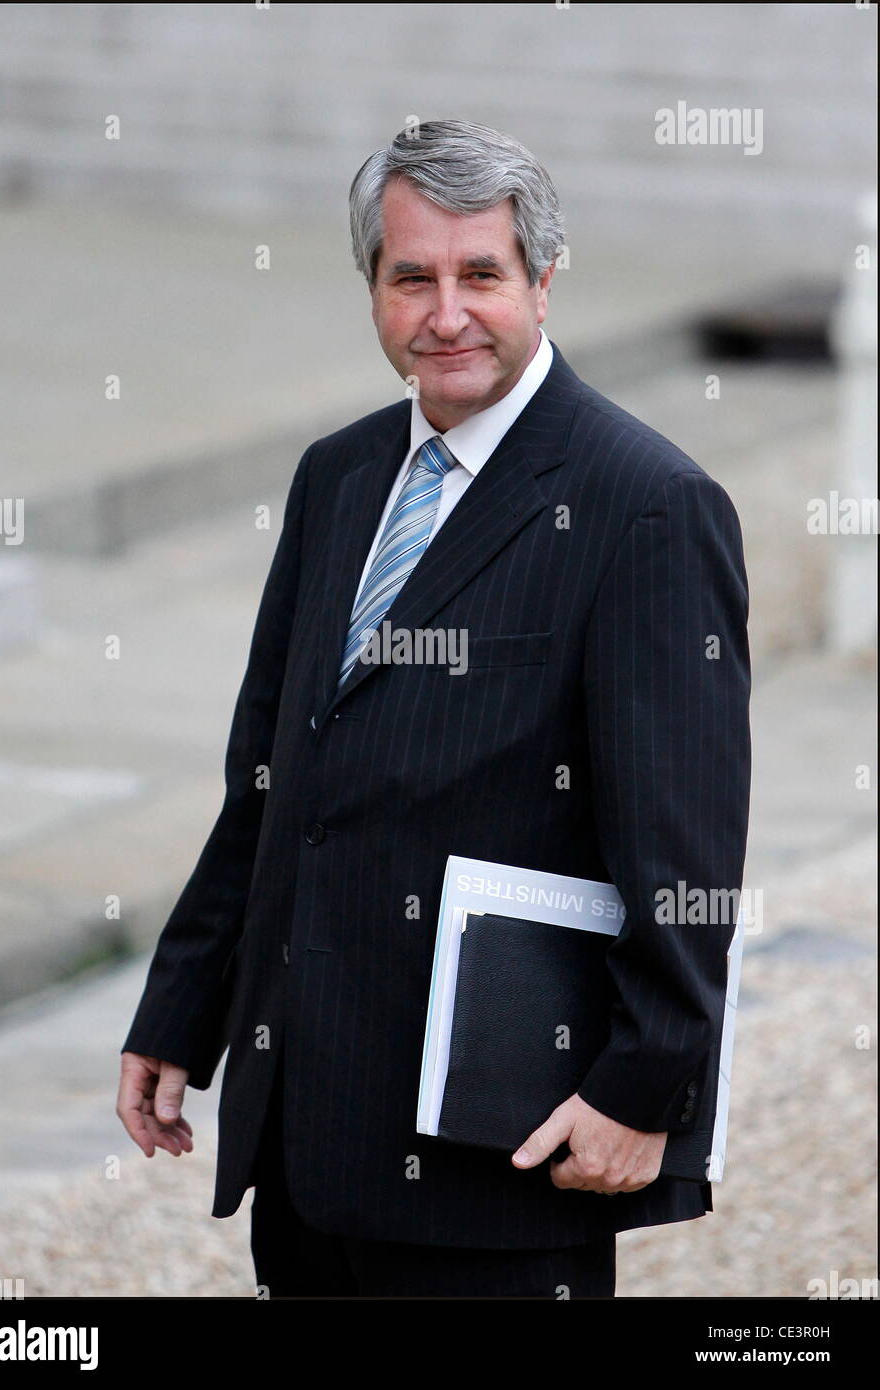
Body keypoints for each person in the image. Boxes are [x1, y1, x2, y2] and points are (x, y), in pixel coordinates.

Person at [118, 120, 751, 1299]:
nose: (446, 313)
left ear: (544, 283)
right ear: (373, 289)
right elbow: (269, 781)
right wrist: (182, 1006)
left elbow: (691, 847)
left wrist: (639, 1086)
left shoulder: (647, 506)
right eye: (413, 277)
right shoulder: (339, 476)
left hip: (501, 1156)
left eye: (482, 275)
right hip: (308, 1141)